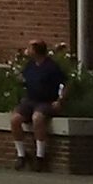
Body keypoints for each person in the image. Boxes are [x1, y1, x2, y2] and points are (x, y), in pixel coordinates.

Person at [10, 41, 68, 170]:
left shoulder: (51, 67)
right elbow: (24, 80)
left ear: (36, 51)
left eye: (29, 48)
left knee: (37, 118)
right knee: (15, 119)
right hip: (30, 100)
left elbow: (64, 84)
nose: (27, 50)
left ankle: (40, 156)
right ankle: (21, 154)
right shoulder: (30, 65)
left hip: (46, 101)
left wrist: (60, 100)